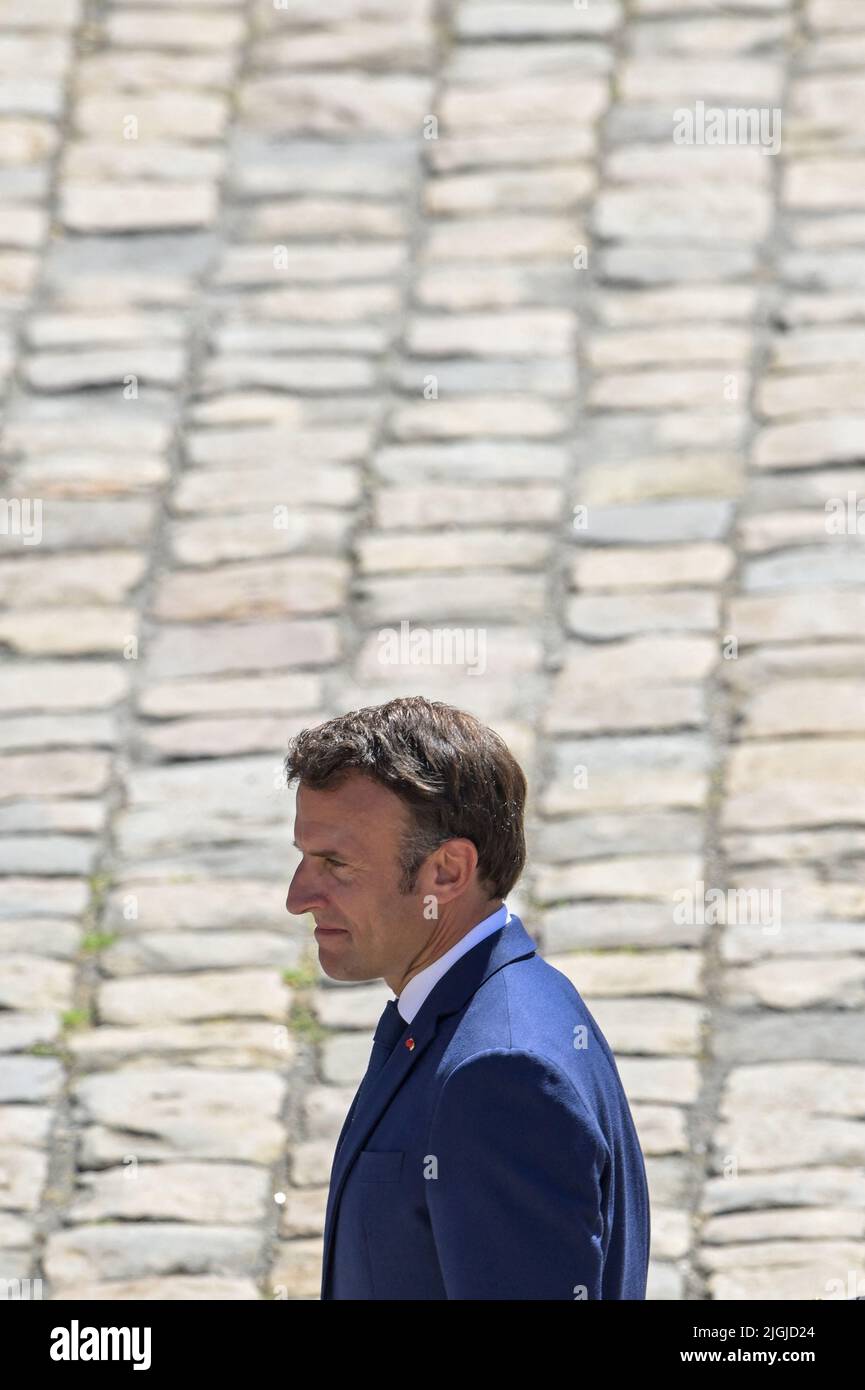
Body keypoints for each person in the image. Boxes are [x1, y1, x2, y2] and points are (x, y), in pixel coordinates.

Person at [284, 695, 651, 1300]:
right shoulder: (481, 1005)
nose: (298, 897)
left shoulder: (500, 1075)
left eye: (335, 864)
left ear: (448, 872)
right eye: (304, 858)